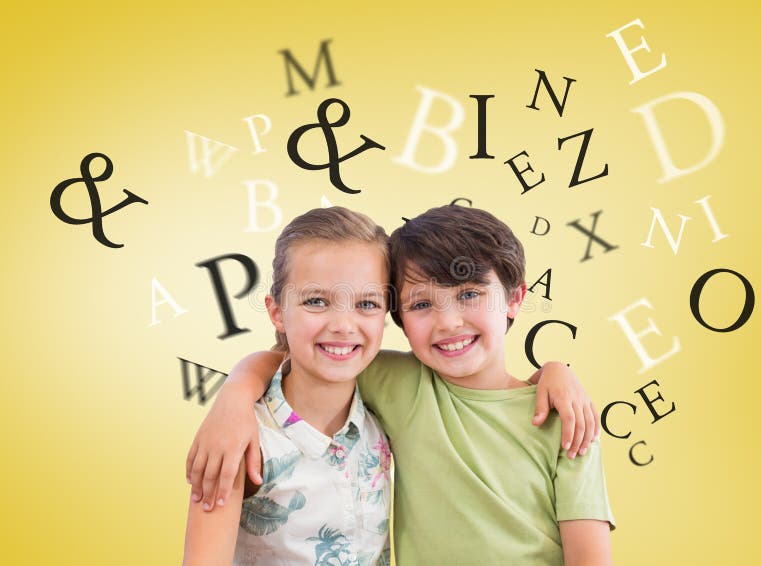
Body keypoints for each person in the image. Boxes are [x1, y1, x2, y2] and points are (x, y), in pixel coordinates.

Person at [188, 205, 614, 564]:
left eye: (469, 294)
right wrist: (235, 394)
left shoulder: (566, 421)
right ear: (400, 319)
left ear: (516, 299)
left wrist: (557, 369)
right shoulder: (397, 383)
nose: (448, 322)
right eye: (422, 304)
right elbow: (299, 355)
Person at [183, 207, 394, 565]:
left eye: (367, 304)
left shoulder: (389, 409)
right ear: (277, 311)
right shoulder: (242, 441)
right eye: (316, 301)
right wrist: (236, 396)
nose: (343, 325)